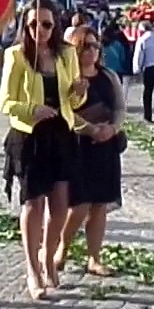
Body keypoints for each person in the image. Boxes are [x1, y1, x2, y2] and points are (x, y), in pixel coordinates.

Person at [0, 0, 89, 300]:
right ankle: (32, 271)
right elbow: (5, 103)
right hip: (30, 136)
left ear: (56, 25)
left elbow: (74, 102)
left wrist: (78, 93)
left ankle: (48, 258)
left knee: (60, 206)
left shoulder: (66, 55)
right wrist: (31, 110)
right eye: (35, 23)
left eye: (47, 24)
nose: (41, 29)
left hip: (61, 134)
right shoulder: (17, 56)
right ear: (26, 25)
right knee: (33, 204)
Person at [56, 25, 123, 277]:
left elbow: (119, 108)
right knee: (80, 204)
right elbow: (66, 111)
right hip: (78, 147)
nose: (92, 51)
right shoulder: (68, 79)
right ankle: (62, 248)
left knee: (100, 205)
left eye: (96, 46)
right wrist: (90, 129)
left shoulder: (108, 76)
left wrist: (112, 129)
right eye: (86, 46)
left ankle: (94, 257)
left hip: (106, 148)